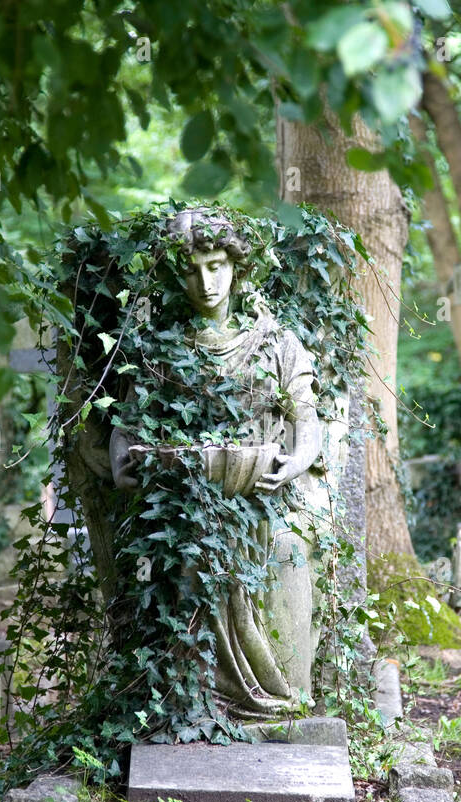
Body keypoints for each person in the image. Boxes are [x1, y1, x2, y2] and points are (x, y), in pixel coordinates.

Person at [109, 209, 323, 717]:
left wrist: (292, 466)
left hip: (268, 491)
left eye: (216, 266)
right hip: (185, 499)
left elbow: (308, 423)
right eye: (192, 269)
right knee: (175, 551)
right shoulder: (158, 347)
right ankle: (186, 697)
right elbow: (127, 426)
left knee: (291, 548)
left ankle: (281, 689)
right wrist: (122, 463)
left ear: (236, 268)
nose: (205, 282)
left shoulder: (274, 341)